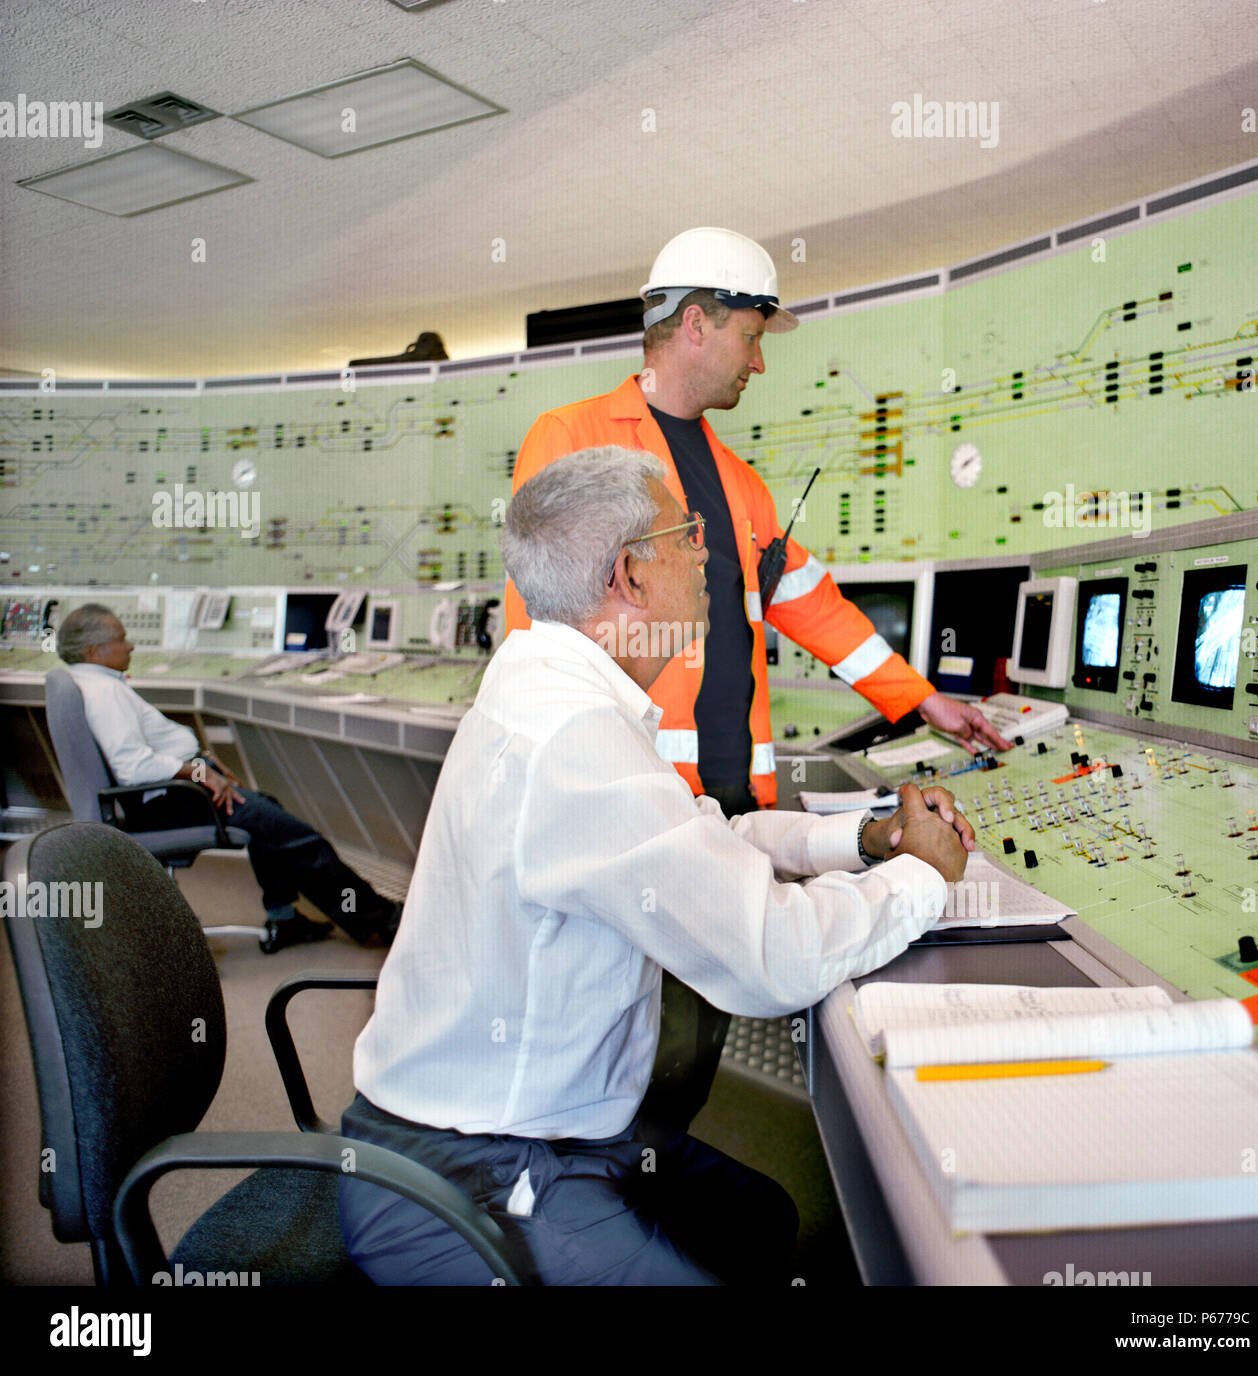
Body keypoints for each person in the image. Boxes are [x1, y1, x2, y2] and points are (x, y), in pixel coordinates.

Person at [338, 446, 973, 1284]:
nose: (711, 553)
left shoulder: (563, 688)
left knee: (759, 1219)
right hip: (471, 1172)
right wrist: (923, 877)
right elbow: (769, 959)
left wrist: (862, 842)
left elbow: (699, 840)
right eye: (691, 532)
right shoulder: (575, 737)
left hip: (552, 1132)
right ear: (630, 578)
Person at [505, 227, 1010, 1124]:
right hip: (628, 798)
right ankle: (586, 1197)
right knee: (616, 1042)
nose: (760, 363)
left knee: (689, 1042)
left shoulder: (740, 484)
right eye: (754, 335)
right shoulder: (573, 439)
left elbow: (807, 600)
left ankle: (629, 1185)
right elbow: (550, 632)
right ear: (695, 323)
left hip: (728, 803)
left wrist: (919, 697)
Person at [54, 604, 402, 951]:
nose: (130, 646)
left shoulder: (93, 684)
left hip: (173, 793)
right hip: (173, 800)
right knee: (300, 839)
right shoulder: (106, 693)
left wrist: (204, 763)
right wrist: (201, 771)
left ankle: (284, 918)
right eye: (122, 638)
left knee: (269, 813)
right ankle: (379, 920)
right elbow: (133, 767)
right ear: (92, 651)